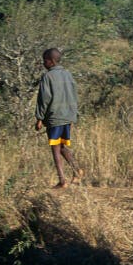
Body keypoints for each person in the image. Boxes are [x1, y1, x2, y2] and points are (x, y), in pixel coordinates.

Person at [35, 48, 84, 188]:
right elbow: (74, 95)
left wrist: (39, 118)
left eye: (45, 61)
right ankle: (77, 170)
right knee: (61, 146)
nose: (43, 63)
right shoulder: (68, 74)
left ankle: (62, 181)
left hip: (55, 117)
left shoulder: (48, 76)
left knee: (55, 148)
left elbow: (44, 99)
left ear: (51, 61)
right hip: (68, 116)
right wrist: (73, 115)